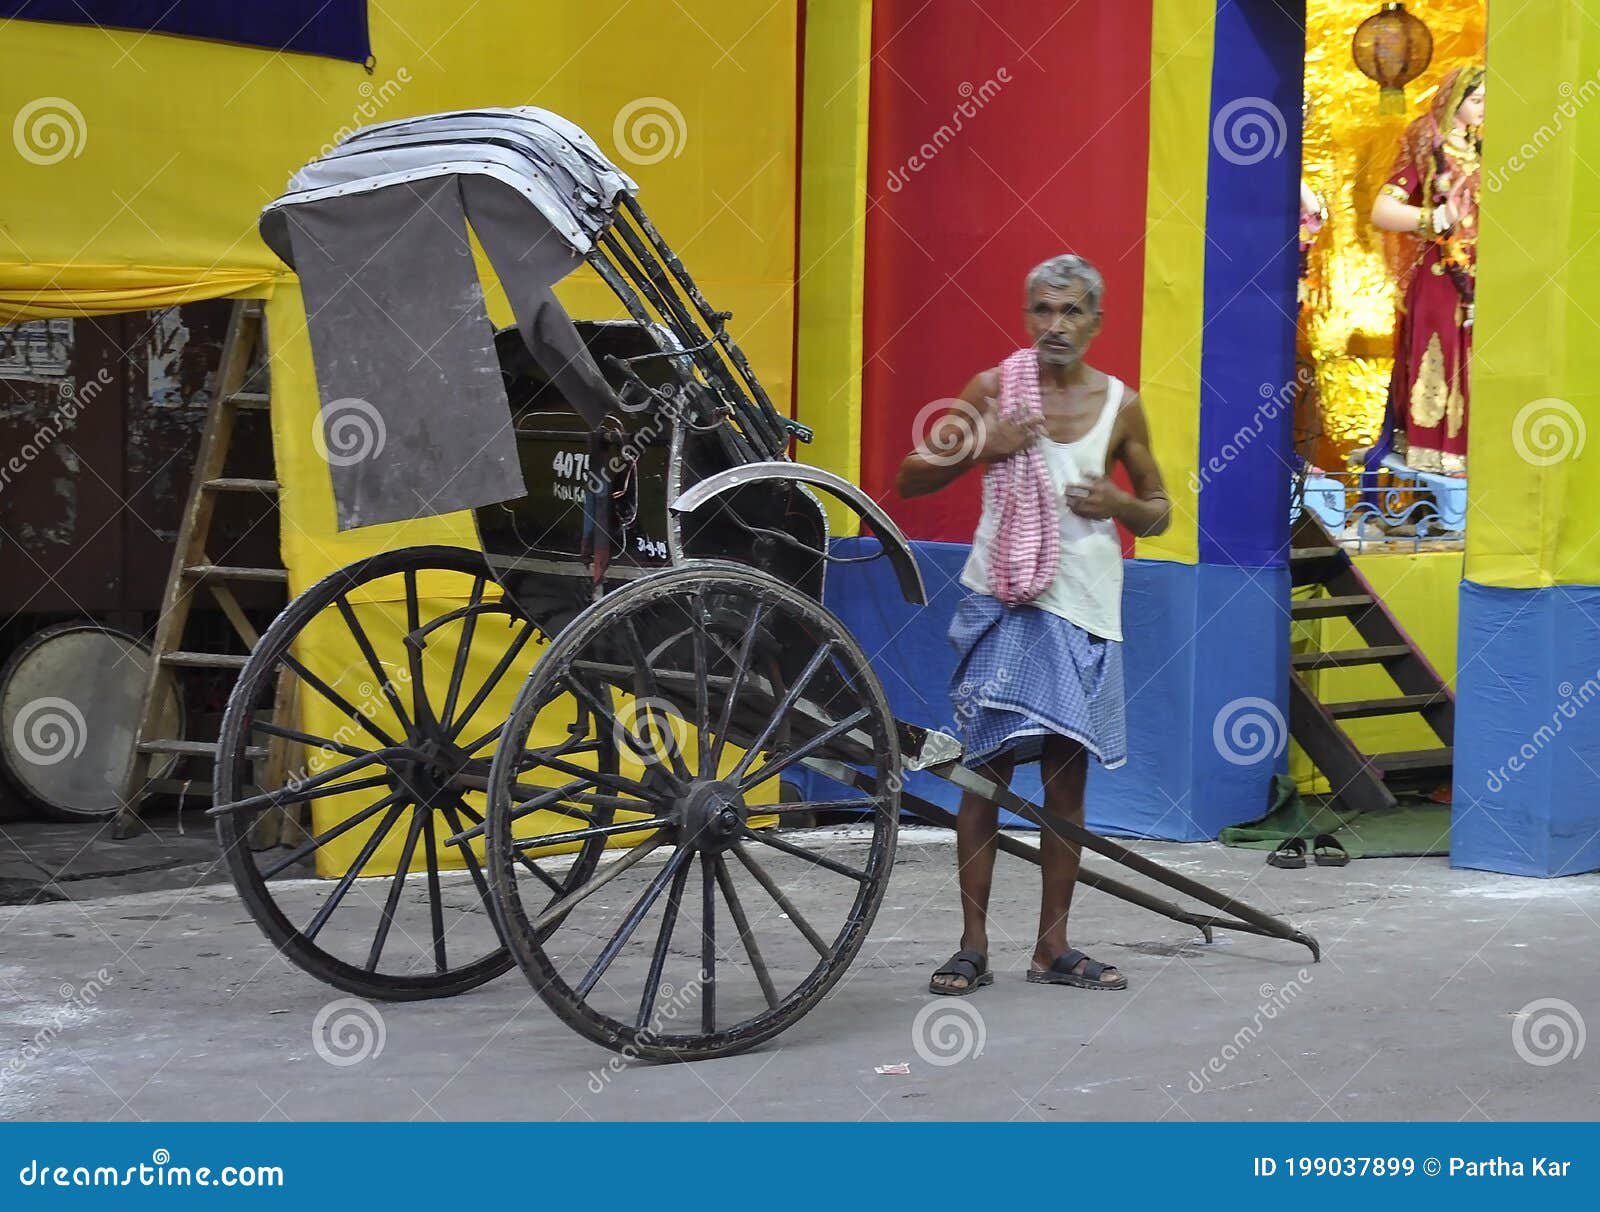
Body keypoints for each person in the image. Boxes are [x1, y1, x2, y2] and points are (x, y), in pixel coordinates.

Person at [896, 254, 1170, 995]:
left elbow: (1160, 508)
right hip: (1006, 605)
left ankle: (1054, 948)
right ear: (1027, 317)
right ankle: (971, 945)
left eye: (1072, 311)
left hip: (1084, 609)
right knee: (982, 776)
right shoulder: (995, 392)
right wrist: (989, 446)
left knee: (1066, 788)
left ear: (1095, 321)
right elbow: (910, 475)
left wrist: (1117, 507)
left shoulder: (1123, 406)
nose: (1056, 325)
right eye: (1043, 311)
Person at [1368, 64, 1484, 477]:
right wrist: (1436, 218)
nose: (1485, 108)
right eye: (1476, 100)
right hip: (1440, 275)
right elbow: (1382, 211)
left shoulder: (1484, 148)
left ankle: (1474, 454)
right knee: (1442, 359)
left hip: (1481, 273)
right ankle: (1435, 454)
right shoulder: (1426, 141)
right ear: (1455, 100)